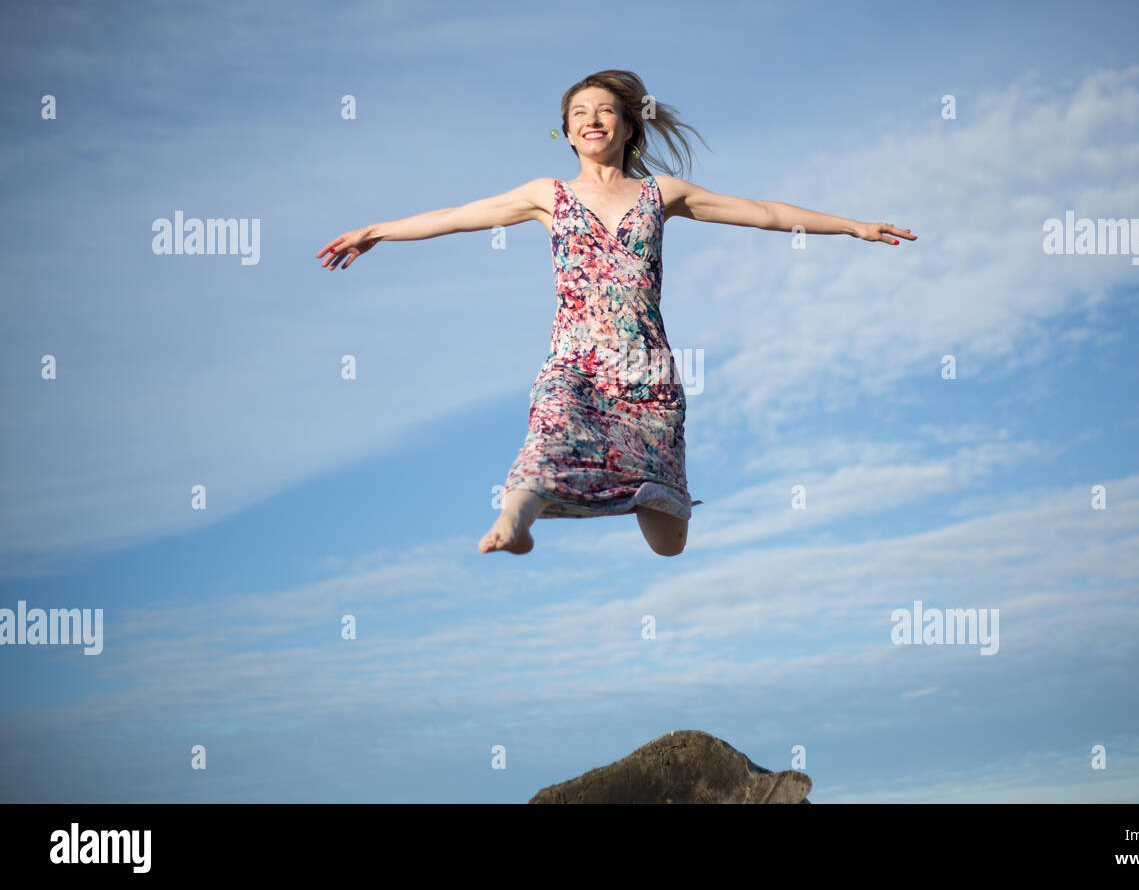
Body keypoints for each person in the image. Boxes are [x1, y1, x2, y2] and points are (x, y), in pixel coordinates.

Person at [316, 70, 916, 557]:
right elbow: (454, 215)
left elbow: (761, 211)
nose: (591, 120)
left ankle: (610, 499)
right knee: (548, 432)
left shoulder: (663, 193)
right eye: (579, 114)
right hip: (574, 356)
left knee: (668, 543)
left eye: (603, 111)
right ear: (567, 134)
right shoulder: (547, 194)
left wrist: (853, 226)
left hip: (645, 368)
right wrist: (376, 230)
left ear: (628, 126)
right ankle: (514, 523)